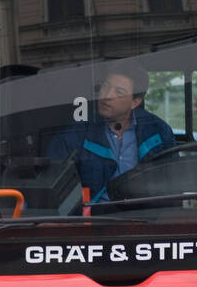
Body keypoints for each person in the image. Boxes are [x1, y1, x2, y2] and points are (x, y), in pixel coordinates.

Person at [47, 62, 175, 202]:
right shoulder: (78, 131)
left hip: (145, 216)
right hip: (95, 218)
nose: (107, 96)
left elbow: (175, 183)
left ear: (135, 102)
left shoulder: (158, 131)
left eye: (119, 92)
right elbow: (52, 184)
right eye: (105, 87)